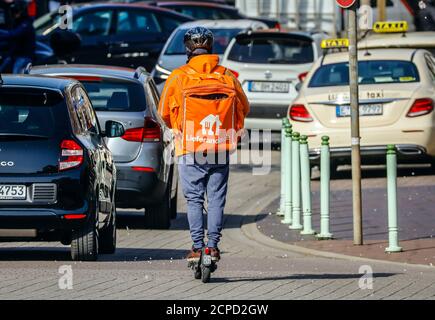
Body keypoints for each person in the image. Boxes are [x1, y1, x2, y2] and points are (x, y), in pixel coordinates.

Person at [158, 26, 249, 263]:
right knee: (217, 198)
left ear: (187, 49)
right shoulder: (228, 76)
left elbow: (163, 112)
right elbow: (244, 108)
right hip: (220, 146)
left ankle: (197, 248)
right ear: (210, 47)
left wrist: (177, 127)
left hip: (190, 147)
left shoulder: (178, 76)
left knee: (194, 199)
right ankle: (214, 247)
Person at [0, 0, 35, 73]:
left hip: (24, 56)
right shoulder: (17, 22)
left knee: (17, 76)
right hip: (14, 55)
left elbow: (13, 34)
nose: (15, 15)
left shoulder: (26, 23)